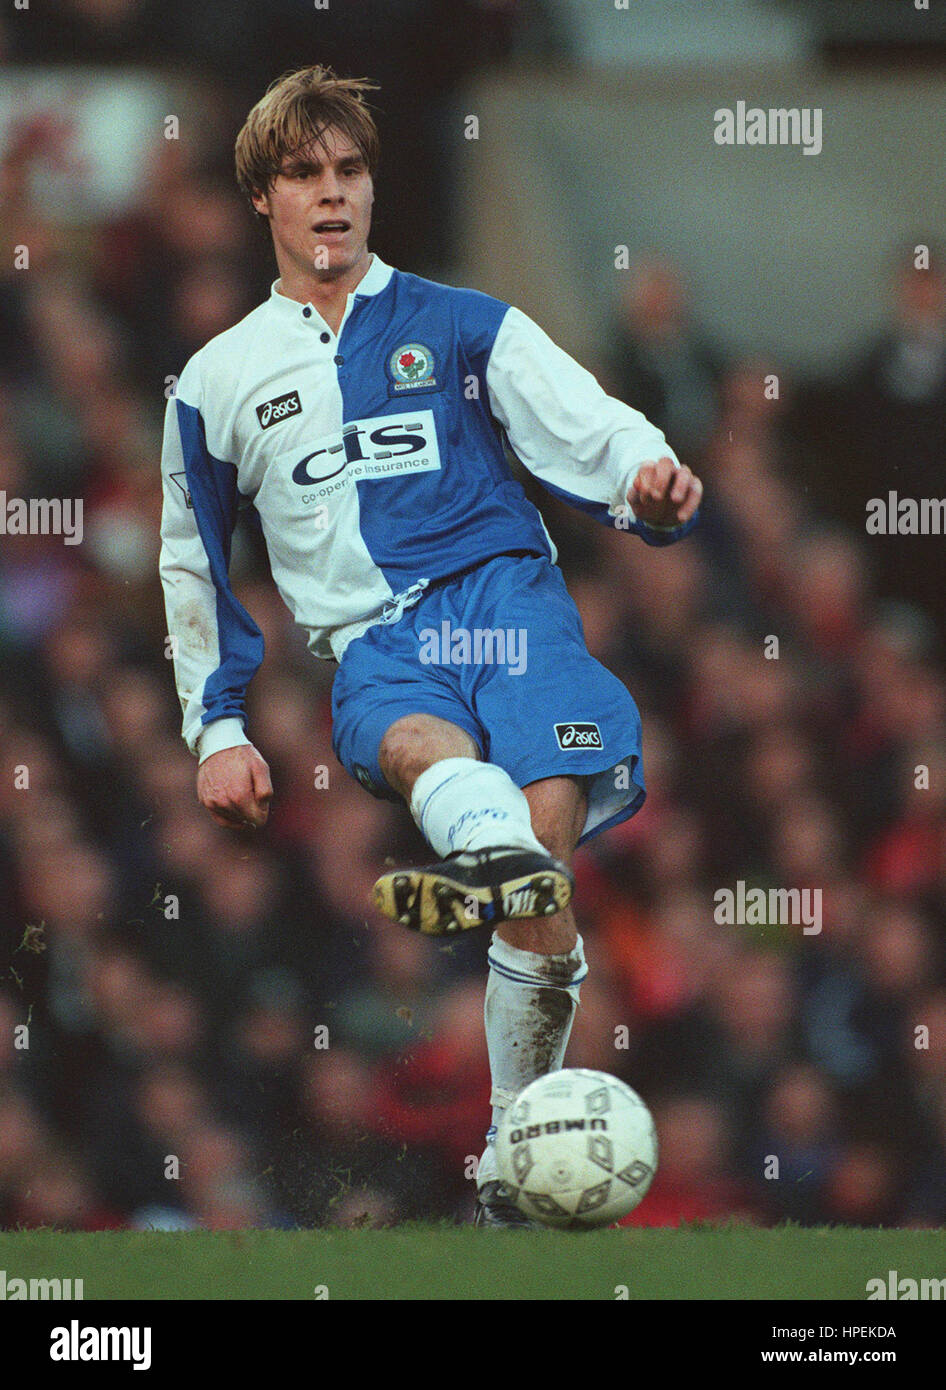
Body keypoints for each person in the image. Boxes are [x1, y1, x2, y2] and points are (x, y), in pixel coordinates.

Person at [158, 65, 702, 1226]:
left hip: (508, 604)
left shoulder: (463, 322)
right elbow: (193, 561)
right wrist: (218, 729)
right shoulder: (216, 382)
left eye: (350, 169)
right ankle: (495, 856)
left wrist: (649, 478)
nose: (333, 193)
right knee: (417, 748)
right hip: (372, 641)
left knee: (539, 859)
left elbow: (585, 419)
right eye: (305, 174)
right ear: (265, 194)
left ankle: (509, 1144)